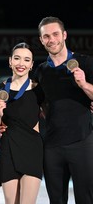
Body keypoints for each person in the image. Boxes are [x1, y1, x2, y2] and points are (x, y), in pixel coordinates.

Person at [34, 16, 93, 203]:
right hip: (52, 146)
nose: (51, 40)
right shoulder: (40, 71)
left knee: (86, 198)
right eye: (46, 36)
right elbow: (36, 106)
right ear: (41, 40)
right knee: (56, 200)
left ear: (64, 35)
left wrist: (84, 84)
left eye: (55, 34)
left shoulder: (86, 63)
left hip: (82, 141)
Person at [0, 42, 44, 204]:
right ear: (10, 61)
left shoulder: (39, 89)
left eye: (26, 60)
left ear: (32, 65)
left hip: (32, 149)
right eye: (17, 58)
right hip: (8, 149)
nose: (21, 63)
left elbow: (52, 115)